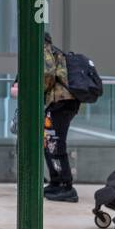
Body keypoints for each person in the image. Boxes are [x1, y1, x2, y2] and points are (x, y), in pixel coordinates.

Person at [43, 33, 81, 201]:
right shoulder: (57, 52)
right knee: (51, 142)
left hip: (60, 102)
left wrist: (38, 91)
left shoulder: (45, 50)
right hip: (65, 103)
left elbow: (47, 74)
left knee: (54, 143)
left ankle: (65, 186)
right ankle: (56, 182)